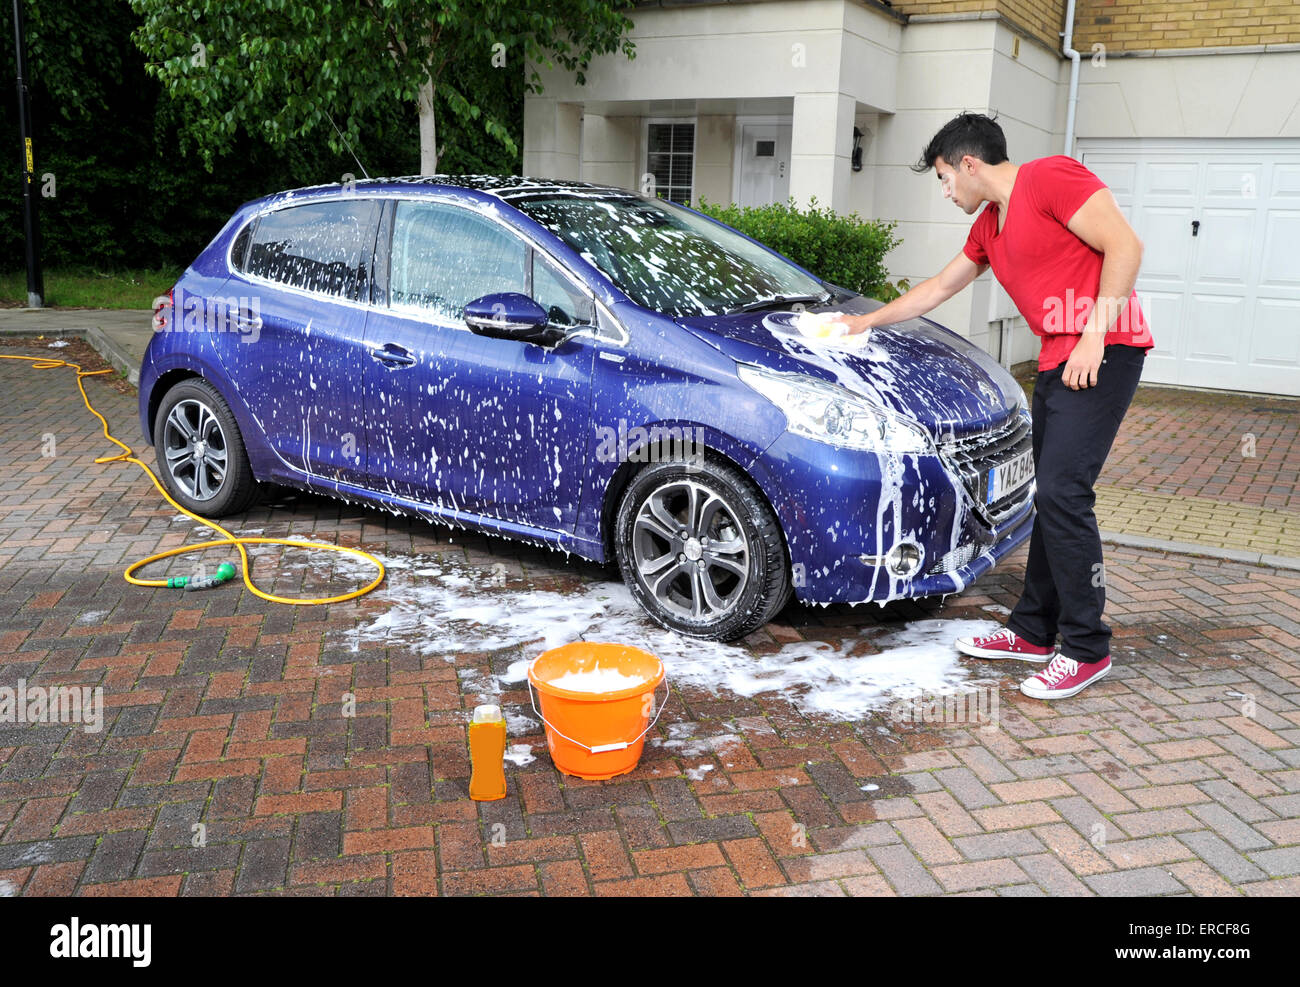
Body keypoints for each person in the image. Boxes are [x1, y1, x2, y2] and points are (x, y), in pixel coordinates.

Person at [828, 112, 1154, 700]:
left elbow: (1125, 246)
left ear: (969, 164)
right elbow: (939, 287)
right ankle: (1032, 630)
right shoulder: (989, 227)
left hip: (1106, 349)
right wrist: (865, 322)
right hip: (1060, 356)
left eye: (944, 177)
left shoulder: (1051, 178)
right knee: (1047, 494)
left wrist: (1093, 335)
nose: (946, 189)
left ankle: (1085, 647)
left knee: (1065, 493)